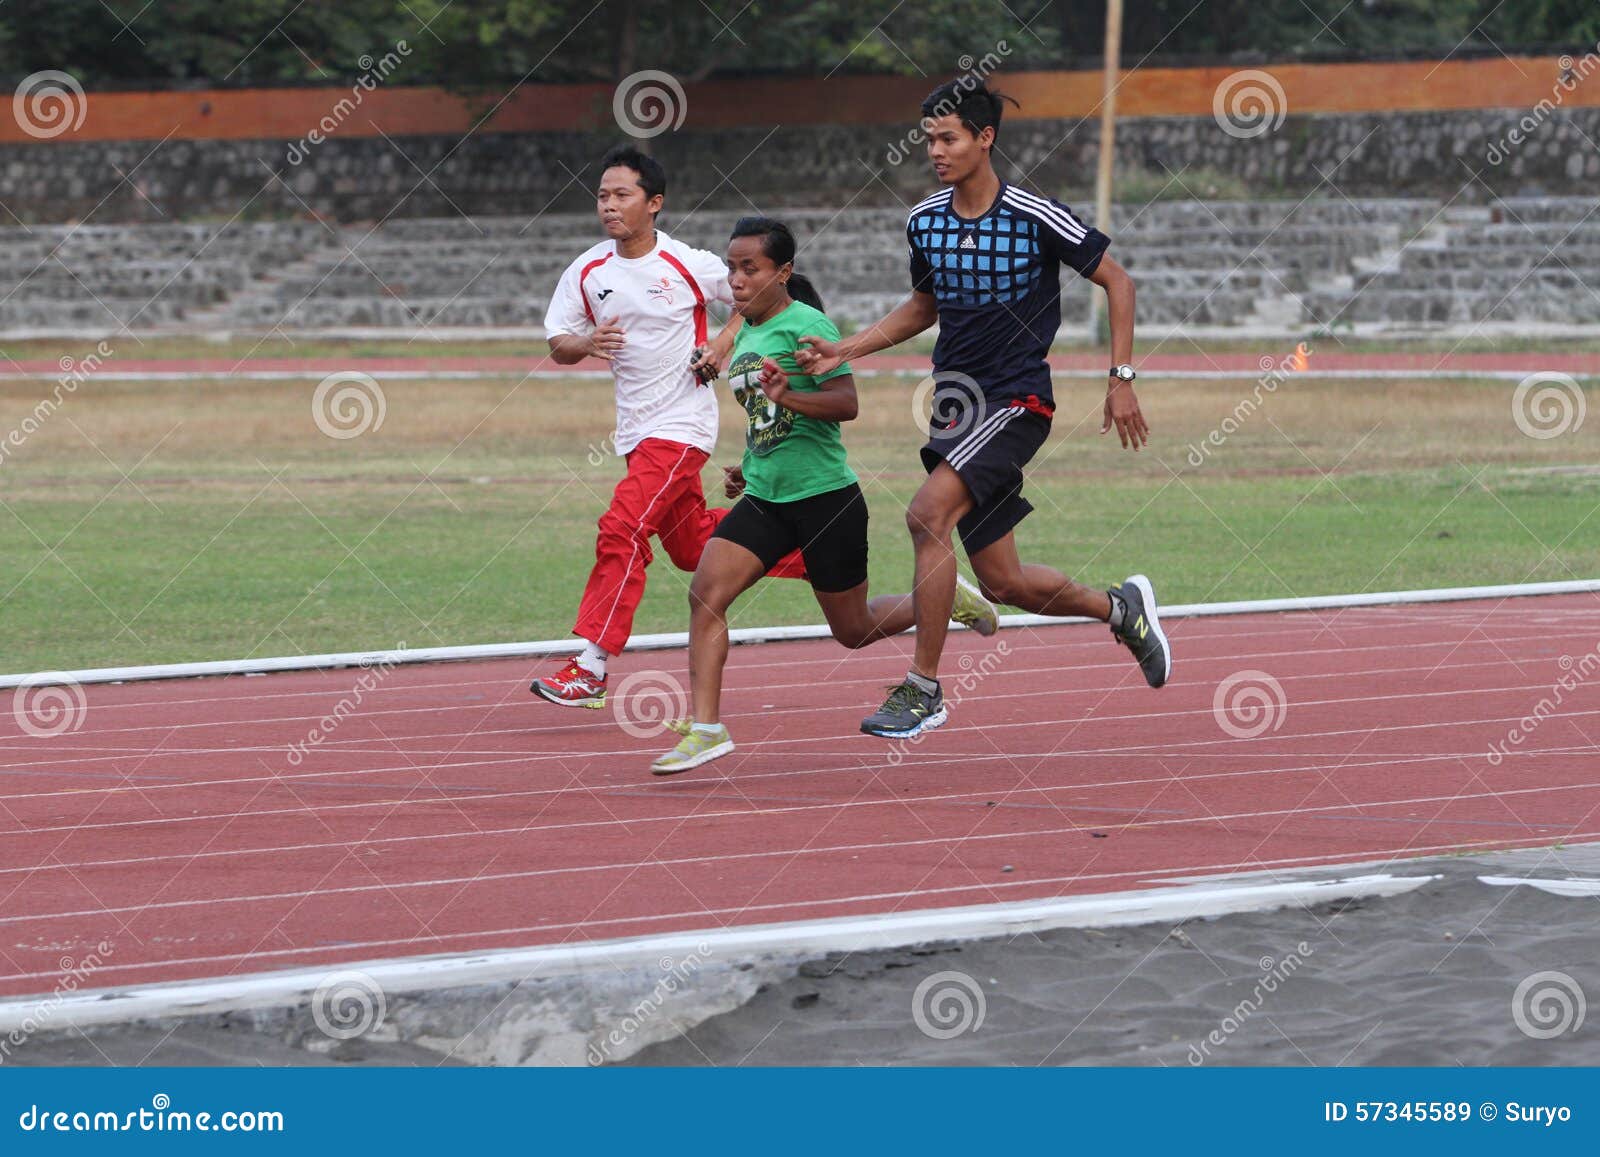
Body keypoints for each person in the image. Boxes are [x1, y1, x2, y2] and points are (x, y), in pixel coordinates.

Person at [794, 78, 1171, 739]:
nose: (935, 150)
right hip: (956, 412)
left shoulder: (1034, 214)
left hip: (1018, 402)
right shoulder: (925, 221)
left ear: (984, 138)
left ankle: (923, 690)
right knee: (1004, 582)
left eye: (949, 138)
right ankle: (1121, 608)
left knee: (926, 511)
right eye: (929, 139)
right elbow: (924, 306)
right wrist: (844, 348)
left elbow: (1118, 280)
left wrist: (1121, 377)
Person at [650, 217, 998, 774]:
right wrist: (750, 462)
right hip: (767, 498)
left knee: (853, 630)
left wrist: (789, 398)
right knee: (705, 594)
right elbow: (767, 413)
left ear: (782, 272)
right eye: (732, 267)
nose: (736, 280)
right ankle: (706, 728)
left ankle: (947, 601)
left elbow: (844, 404)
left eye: (750, 268)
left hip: (825, 499)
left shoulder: (805, 325)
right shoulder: (745, 331)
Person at [535, 145, 803, 709]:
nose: (609, 205)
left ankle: (591, 664)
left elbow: (754, 296)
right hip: (636, 433)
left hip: (683, 428)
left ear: (654, 203)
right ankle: (823, 553)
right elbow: (559, 341)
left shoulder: (689, 263)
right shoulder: (587, 270)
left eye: (622, 195)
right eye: (603, 196)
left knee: (621, 528)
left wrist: (725, 339)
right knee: (695, 548)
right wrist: (586, 344)